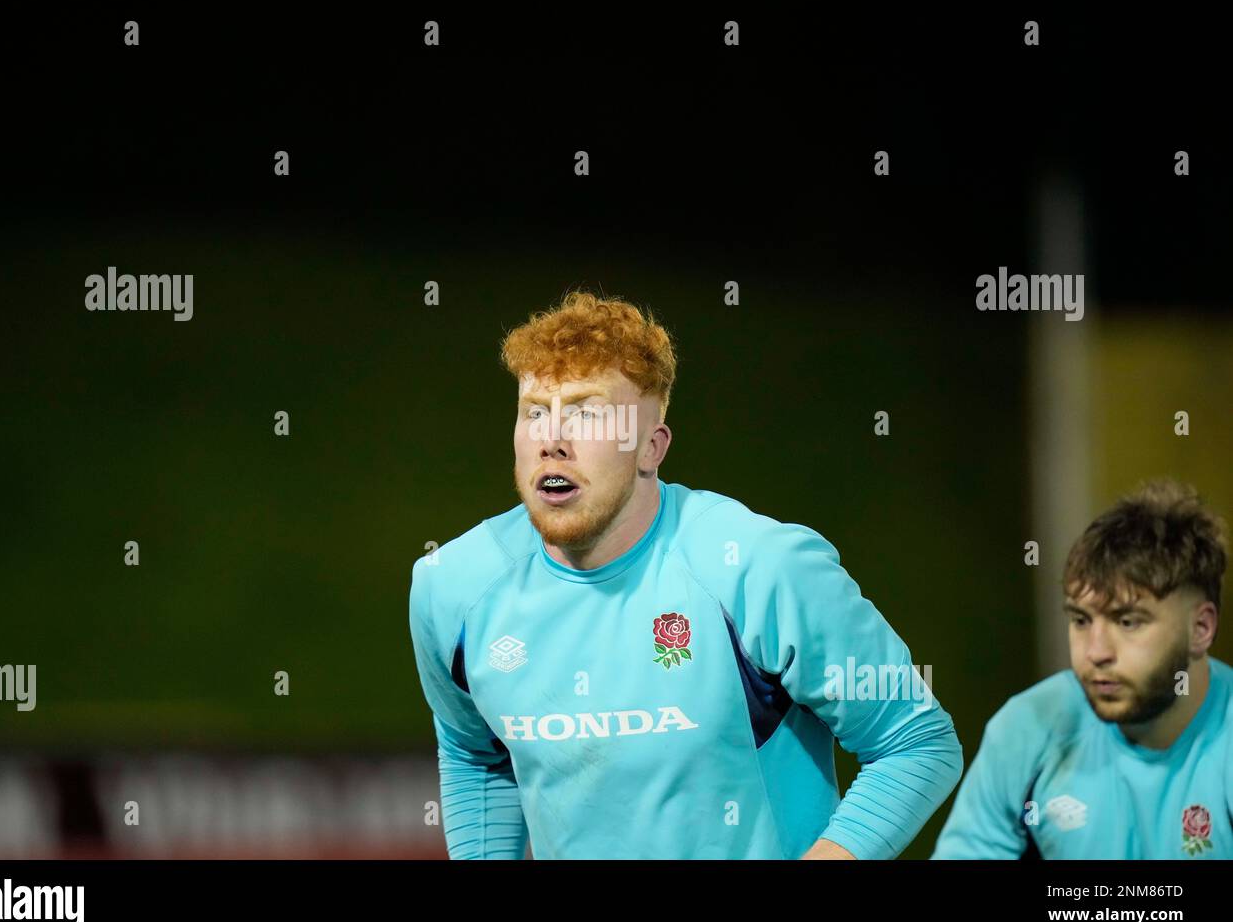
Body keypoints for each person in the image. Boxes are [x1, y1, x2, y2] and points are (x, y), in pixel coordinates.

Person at [409, 289, 962, 858]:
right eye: (534, 413)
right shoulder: (452, 586)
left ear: (651, 447)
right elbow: (475, 754)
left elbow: (917, 741)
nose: (553, 440)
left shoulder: (759, 568)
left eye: (587, 413)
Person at [933, 479, 1230, 858]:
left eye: (1128, 622)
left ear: (1200, 629)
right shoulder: (1027, 728)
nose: (1096, 652)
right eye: (1081, 620)